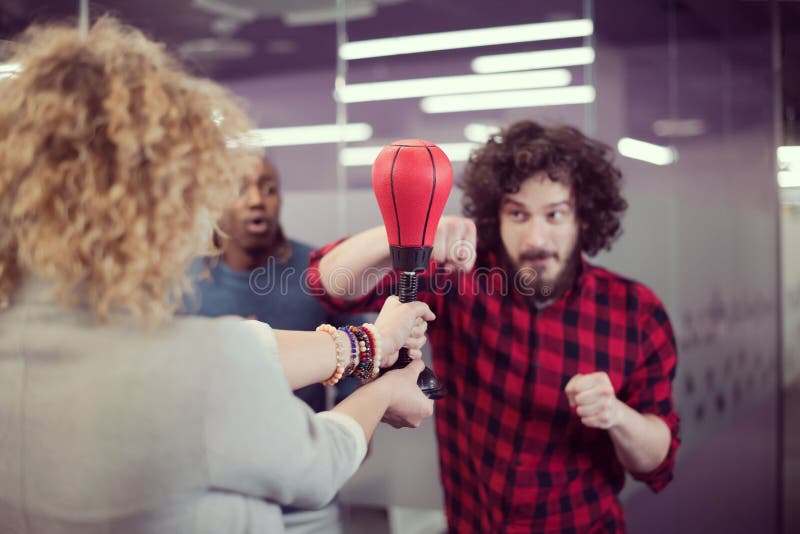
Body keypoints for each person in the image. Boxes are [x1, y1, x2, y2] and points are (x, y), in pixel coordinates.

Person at [0, 17, 435, 534]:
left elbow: (242, 353)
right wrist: (382, 393)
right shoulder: (202, 367)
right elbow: (318, 464)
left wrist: (371, 342)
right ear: (156, 200)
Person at [309, 120, 681, 533]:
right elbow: (328, 284)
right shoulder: (464, 276)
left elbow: (658, 461)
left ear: (584, 218)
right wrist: (412, 232)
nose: (536, 237)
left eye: (555, 214)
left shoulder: (636, 313)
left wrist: (616, 416)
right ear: (496, 215)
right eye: (517, 213)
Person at [186, 153, 363, 533]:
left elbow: (361, 369)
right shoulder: (183, 283)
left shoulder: (323, 274)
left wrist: (338, 448)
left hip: (307, 494)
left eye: (268, 189)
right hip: (215, 494)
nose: (256, 200)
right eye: (240, 189)